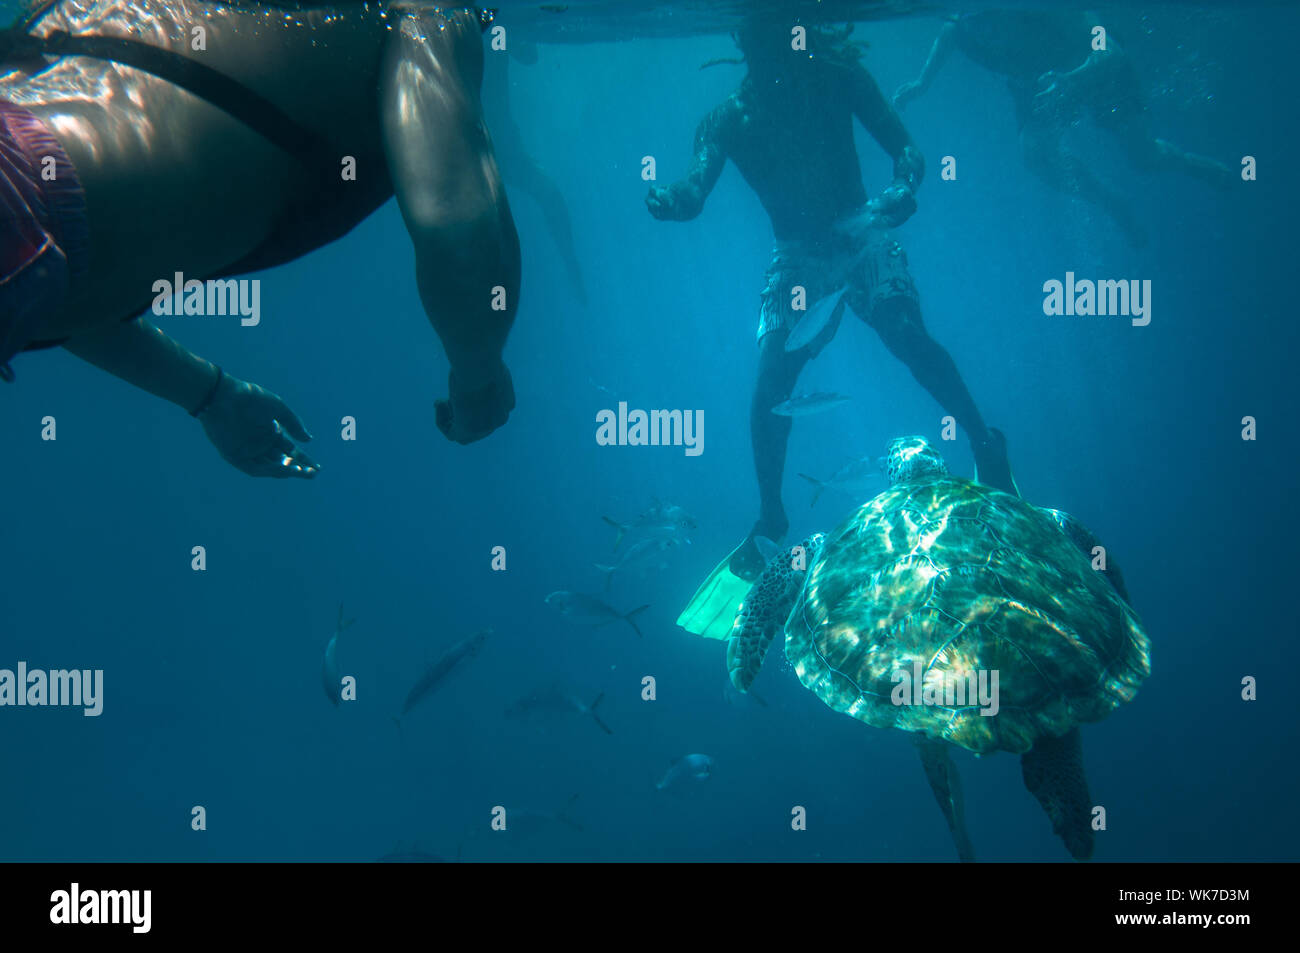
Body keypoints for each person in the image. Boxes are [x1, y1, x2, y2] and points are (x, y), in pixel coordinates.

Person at [0, 0, 520, 478]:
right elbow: (456, 226)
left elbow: (53, 256)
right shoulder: (426, 12)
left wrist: (209, 394)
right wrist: (478, 379)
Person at [646, 20, 1016, 634]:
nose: (776, 54)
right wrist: (675, 202)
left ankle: (984, 443)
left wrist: (902, 187)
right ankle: (771, 518)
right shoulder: (728, 120)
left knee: (907, 339)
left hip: (861, 229)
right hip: (796, 254)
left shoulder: (837, 80)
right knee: (771, 386)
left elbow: (908, 152)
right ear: (747, 43)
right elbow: (695, 188)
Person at [893, 10, 1232, 247]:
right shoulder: (962, 25)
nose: (982, 28)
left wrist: (1072, 80)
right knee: (1036, 157)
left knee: (1144, 158)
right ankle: (1112, 203)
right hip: (1044, 84)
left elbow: (1110, 50)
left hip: (1097, 75)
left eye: (988, 17)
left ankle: (1193, 163)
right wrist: (922, 83)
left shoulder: (1054, 13)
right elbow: (949, 33)